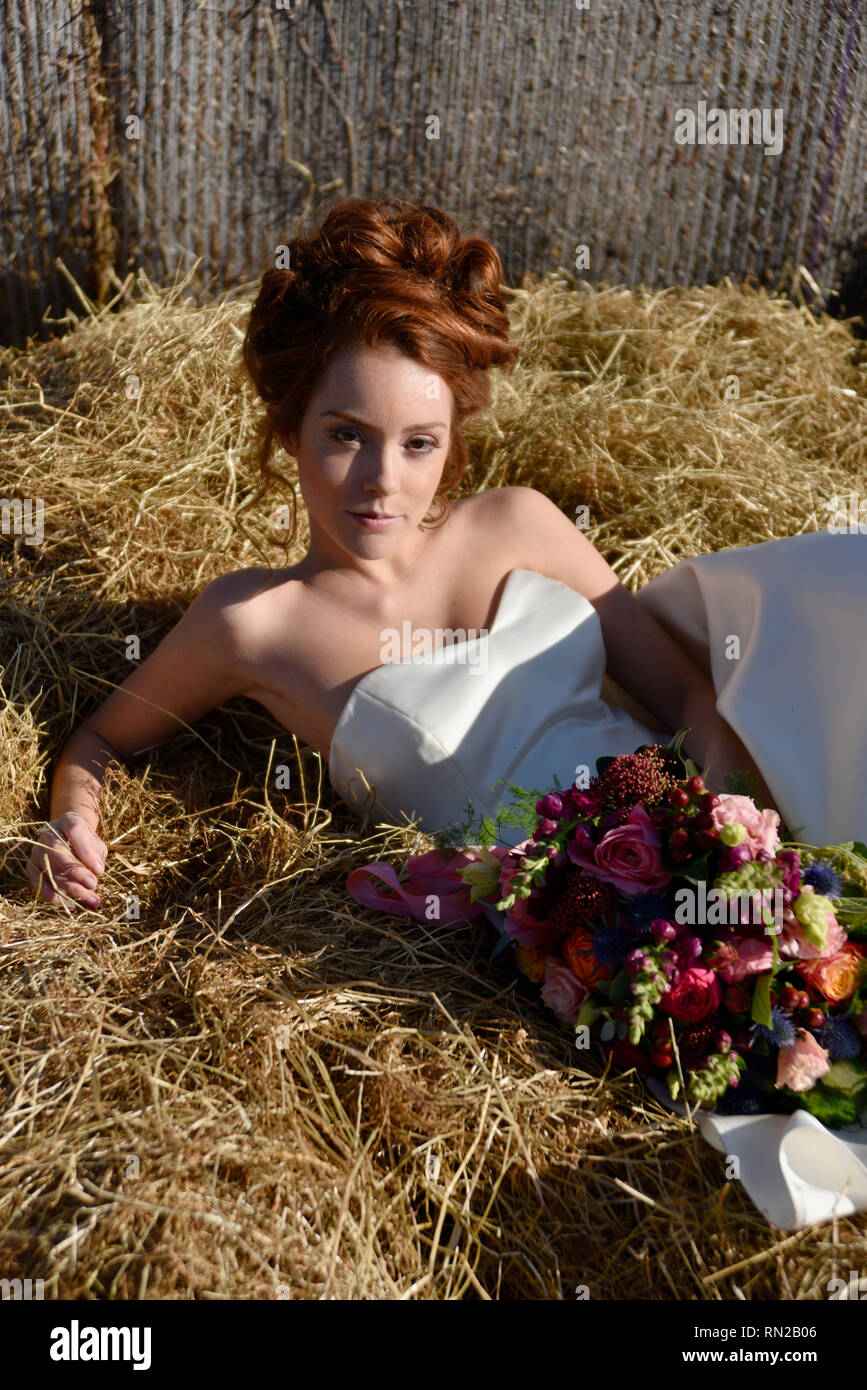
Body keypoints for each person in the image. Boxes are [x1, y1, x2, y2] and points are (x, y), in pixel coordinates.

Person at [26, 196, 867, 908]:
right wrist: (75, 821)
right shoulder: (252, 621)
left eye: (418, 444)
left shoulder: (520, 524)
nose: (381, 481)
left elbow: (685, 698)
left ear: (451, 441)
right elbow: (99, 740)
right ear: (288, 429)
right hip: (566, 919)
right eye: (345, 435)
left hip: (705, 839)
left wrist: (739, 845)